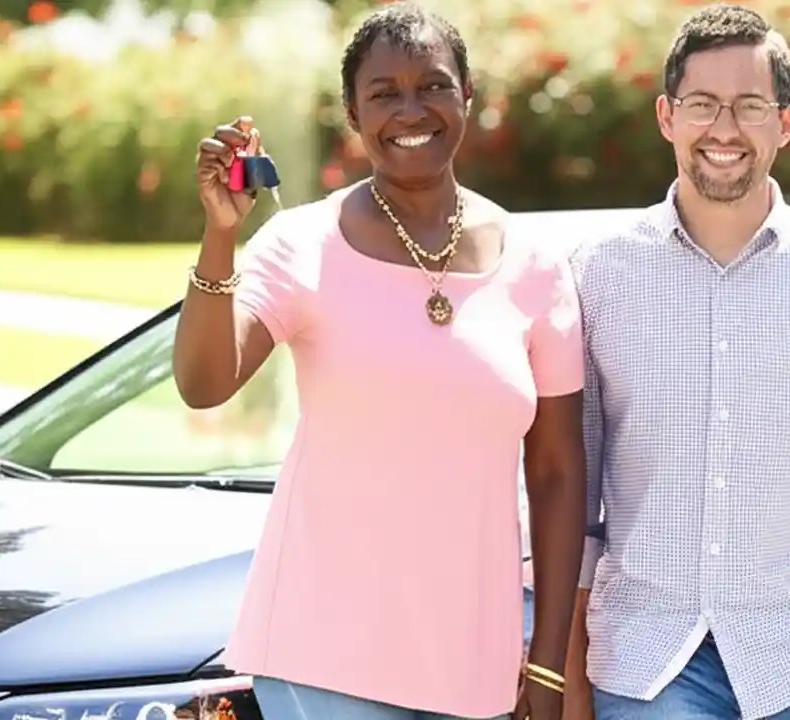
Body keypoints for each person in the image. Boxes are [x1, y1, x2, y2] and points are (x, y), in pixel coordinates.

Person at [173, 4, 586, 719]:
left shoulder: (537, 266)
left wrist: (548, 667)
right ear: (352, 114)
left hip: (473, 672)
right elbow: (205, 383)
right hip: (321, 659)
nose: (410, 109)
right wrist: (219, 237)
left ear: (467, 95)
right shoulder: (302, 243)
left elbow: (556, 474)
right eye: (384, 93)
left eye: (432, 85)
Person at [562, 5, 790, 719]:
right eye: (702, 105)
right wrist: (567, 672)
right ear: (666, 116)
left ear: (784, 123)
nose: (724, 130)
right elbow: (575, 489)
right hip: (644, 663)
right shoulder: (597, 275)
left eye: (749, 106)